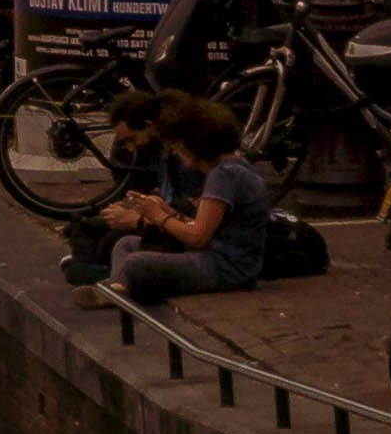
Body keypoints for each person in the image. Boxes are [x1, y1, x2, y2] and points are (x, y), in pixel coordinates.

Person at [100, 94, 286, 305]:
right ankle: (118, 289)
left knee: (137, 262)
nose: (176, 153)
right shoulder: (230, 169)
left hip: (225, 267)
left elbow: (198, 237)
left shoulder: (224, 175)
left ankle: (115, 289)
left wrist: (159, 216)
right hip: (210, 255)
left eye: (178, 146)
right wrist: (168, 212)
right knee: (125, 244)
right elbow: (206, 225)